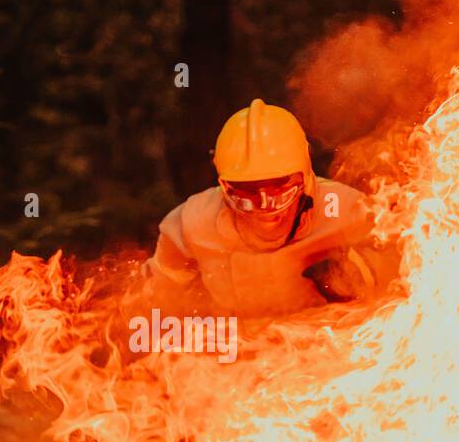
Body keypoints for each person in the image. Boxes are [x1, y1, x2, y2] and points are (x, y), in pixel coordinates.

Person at [145, 99, 394, 317]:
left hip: (330, 355)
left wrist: (361, 271)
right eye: (247, 194)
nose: (266, 210)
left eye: (279, 191)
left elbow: (410, 269)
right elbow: (154, 299)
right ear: (225, 186)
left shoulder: (346, 209)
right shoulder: (191, 224)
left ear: (305, 178)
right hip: (234, 363)